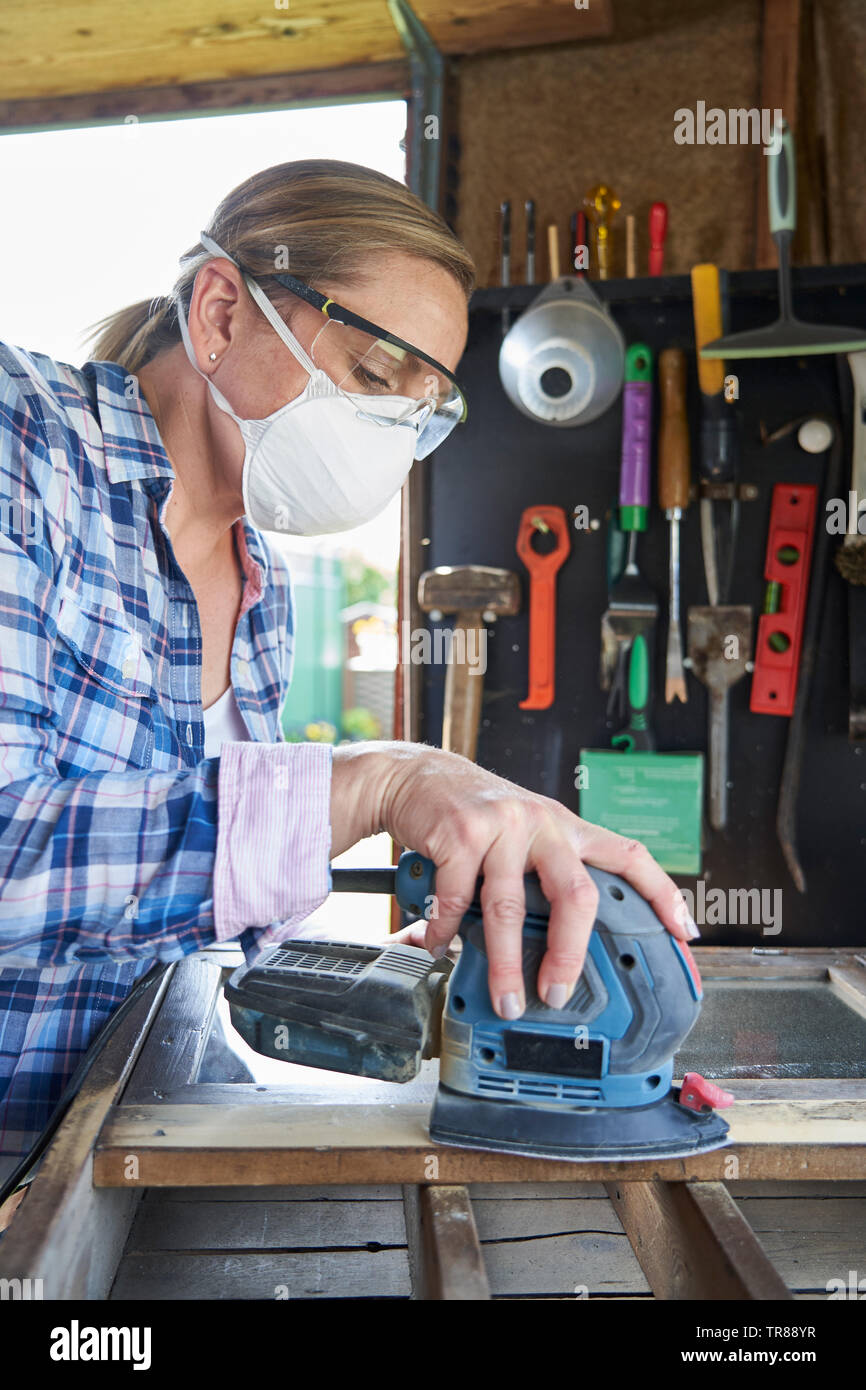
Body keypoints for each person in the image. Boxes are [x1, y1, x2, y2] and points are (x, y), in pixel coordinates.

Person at [0, 159, 696, 1182]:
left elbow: (181, 917)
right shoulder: (25, 445)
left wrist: (377, 985)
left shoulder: (262, 589)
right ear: (223, 311)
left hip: (98, 1168)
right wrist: (379, 780)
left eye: (420, 412)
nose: (389, 436)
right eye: (373, 378)